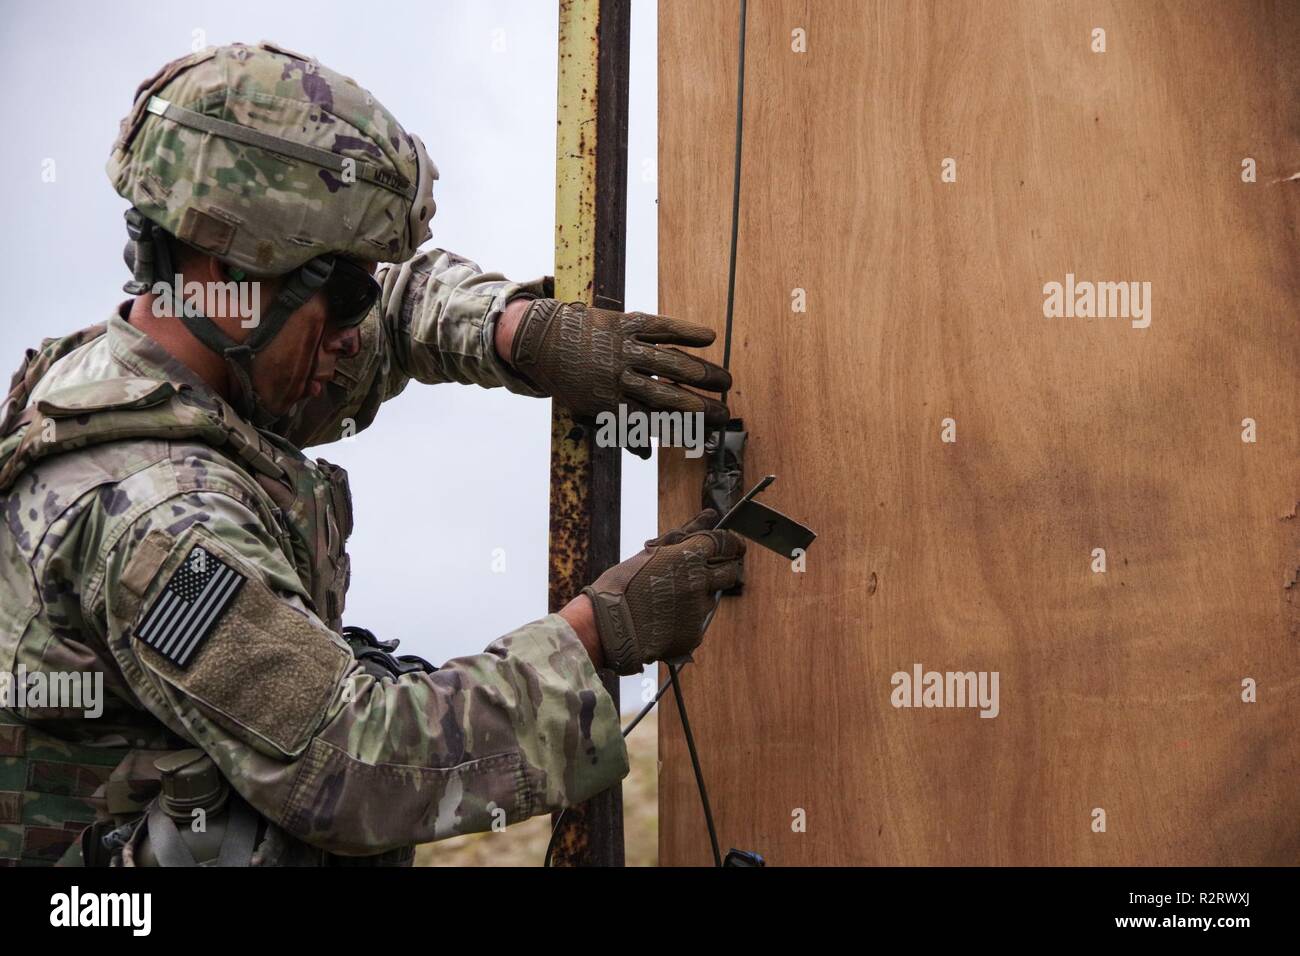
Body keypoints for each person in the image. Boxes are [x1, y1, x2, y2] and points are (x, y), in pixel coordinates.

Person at [0, 41, 744, 867]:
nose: (356, 329)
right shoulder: (157, 520)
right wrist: (601, 635)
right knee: (256, 836)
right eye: (342, 292)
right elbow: (352, 766)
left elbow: (386, 316)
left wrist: (517, 333)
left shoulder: (167, 359)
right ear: (231, 274)